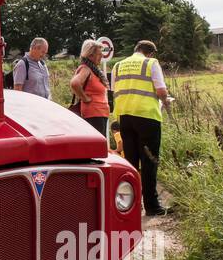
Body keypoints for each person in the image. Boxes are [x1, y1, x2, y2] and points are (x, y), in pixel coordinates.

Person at [111, 40, 171, 216]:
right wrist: (166, 99)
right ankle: (152, 206)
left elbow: (114, 90)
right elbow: (161, 91)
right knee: (149, 161)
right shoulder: (151, 63)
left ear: (135, 49)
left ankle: (132, 205)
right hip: (147, 116)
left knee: (131, 162)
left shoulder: (118, 65)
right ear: (150, 53)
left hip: (124, 117)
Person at [70, 40, 111, 137]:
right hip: (93, 114)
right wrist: (85, 98)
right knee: (97, 147)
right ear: (90, 55)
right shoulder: (86, 68)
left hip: (98, 113)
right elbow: (75, 83)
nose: (101, 56)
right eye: (99, 54)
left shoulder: (93, 69)